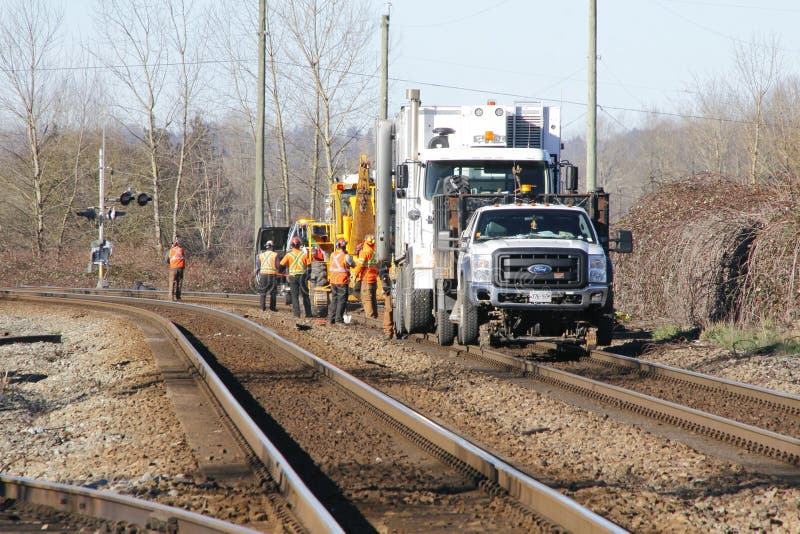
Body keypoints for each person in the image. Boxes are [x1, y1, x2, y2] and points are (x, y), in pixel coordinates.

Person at [280, 236, 312, 318]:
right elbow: (309, 266)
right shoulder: (304, 255)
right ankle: (308, 314)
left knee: (294, 296)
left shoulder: (288, 255)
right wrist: (308, 276)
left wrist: (281, 273)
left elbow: (281, 265)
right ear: (299, 245)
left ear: (292, 245)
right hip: (302, 277)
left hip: (293, 277)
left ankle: (297, 314)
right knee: (305, 295)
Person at [327, 237, 356, 324]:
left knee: (334, 300)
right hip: (342, 281)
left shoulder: (332, 255)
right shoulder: (346, 256)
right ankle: (338, 319)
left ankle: (331, 318)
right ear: (345, 246)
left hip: (333, 281)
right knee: (341, 300)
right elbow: (353, 264)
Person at [353, 234, 378, 318]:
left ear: (365, 241)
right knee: (373, 299)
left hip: (366, 279)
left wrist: (354, 275)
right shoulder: (374, 251)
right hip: (373, 279)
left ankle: (370, 318)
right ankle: (375, 317)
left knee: (367, 299)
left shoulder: (364, 252)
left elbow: (360, 265)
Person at [255, 240, 281, 311]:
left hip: (263, 275)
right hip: (272, 275)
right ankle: (272, 308)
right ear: (272, 247)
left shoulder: (261, 255)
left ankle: (262, 308)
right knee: (273, 292)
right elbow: (278, 266)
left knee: (263, 292)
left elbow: (258, 266)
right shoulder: (275, 254)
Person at [378, 260, 395, 339]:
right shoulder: (386, 258)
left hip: (396, 284)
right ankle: (388, 331)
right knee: (389, 308)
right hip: (390, 285)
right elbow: (382, 270)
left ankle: (391, 331)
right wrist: (385, 284)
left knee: (390, 309)